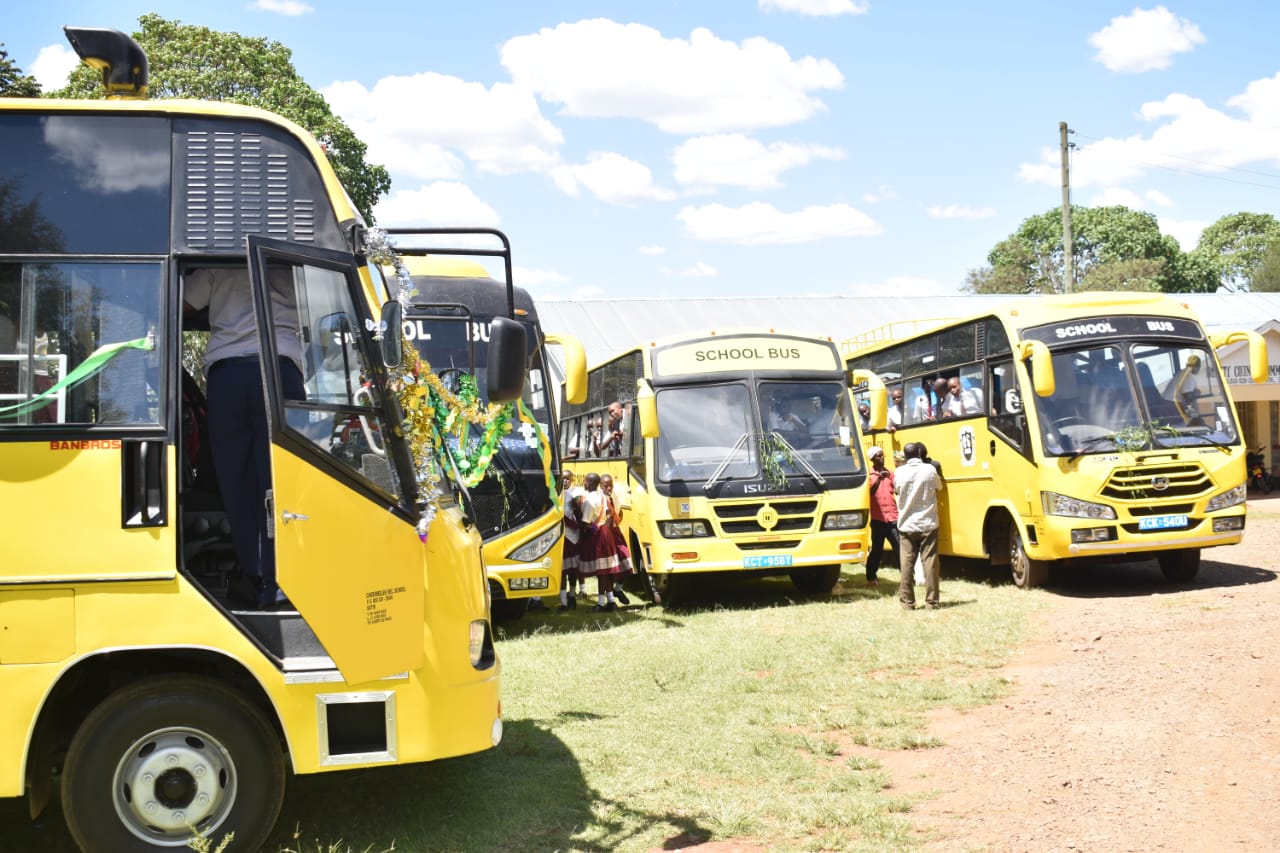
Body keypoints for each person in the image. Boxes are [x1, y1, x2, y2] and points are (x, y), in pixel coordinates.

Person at [185, 265, 304, 610]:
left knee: (237, 480)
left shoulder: (215, 264)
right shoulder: (290, 264)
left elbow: (183, 305)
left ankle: (256, 575)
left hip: (229, 376)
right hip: (281, 372)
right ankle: (285, 577)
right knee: (284, 480)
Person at [895, 441, 944, 610]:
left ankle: (907, 602)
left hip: (906, 524)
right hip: (928, 523)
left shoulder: (899, 472)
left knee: (907, 563)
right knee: (929, 562)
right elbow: (939, 486)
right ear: (919, 454)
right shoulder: (930, 470)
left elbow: (896, 490)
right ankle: (932, 602)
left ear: (905, 455)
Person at [575, 473, 622, 611]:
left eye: (585, 482)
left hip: (597, 536)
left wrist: (577, 509)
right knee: (606, 571)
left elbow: (584, 523)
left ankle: (601, 603)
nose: (584, 484)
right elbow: (609, 516)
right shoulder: (603, 496)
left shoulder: (589, 501)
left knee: (601, 571)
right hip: (606, 532)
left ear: (588, 484)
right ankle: (611, 601)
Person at [865, 445, 898, 585]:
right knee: (877, 550)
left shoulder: (891, 473)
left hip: (893, 517)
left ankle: (909, 577)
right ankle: (871, 576)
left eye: (883, 455)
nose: (882, 458)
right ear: (872, 459)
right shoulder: (869, 476)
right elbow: (869, 493)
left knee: (899, 547)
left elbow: (897, 489)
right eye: (879, 455)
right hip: (878, 519)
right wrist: (878, 479)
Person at [599, 473, 633, 605]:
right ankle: (610, 597)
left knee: (626, 561)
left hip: (616, 532)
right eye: (606, 486)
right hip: (607, 534)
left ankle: (618, 589)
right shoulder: (600, 499)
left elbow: (619, 514)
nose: (609, 488)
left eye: (610, 485)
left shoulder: (614, 496)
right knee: (610, 568)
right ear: (600, 485)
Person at [558, 470, 584, 611]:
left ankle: (572, 596)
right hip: (558, 539)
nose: (564, 481)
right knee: (561, 571)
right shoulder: (553, 496)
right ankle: (563, 603)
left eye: (567, 479)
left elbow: (578, 517)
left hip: (572, 538)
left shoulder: (570, 496)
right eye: (562, 479)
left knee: (572, 570)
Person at [1172, 354, 1205, 424]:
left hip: (1179, 409)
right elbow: (1187, 396)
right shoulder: (1188, 376)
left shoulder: (1183, 373)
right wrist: (1197, 393)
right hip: (1181, 410)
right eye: (1199, 366)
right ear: (1197, 366)